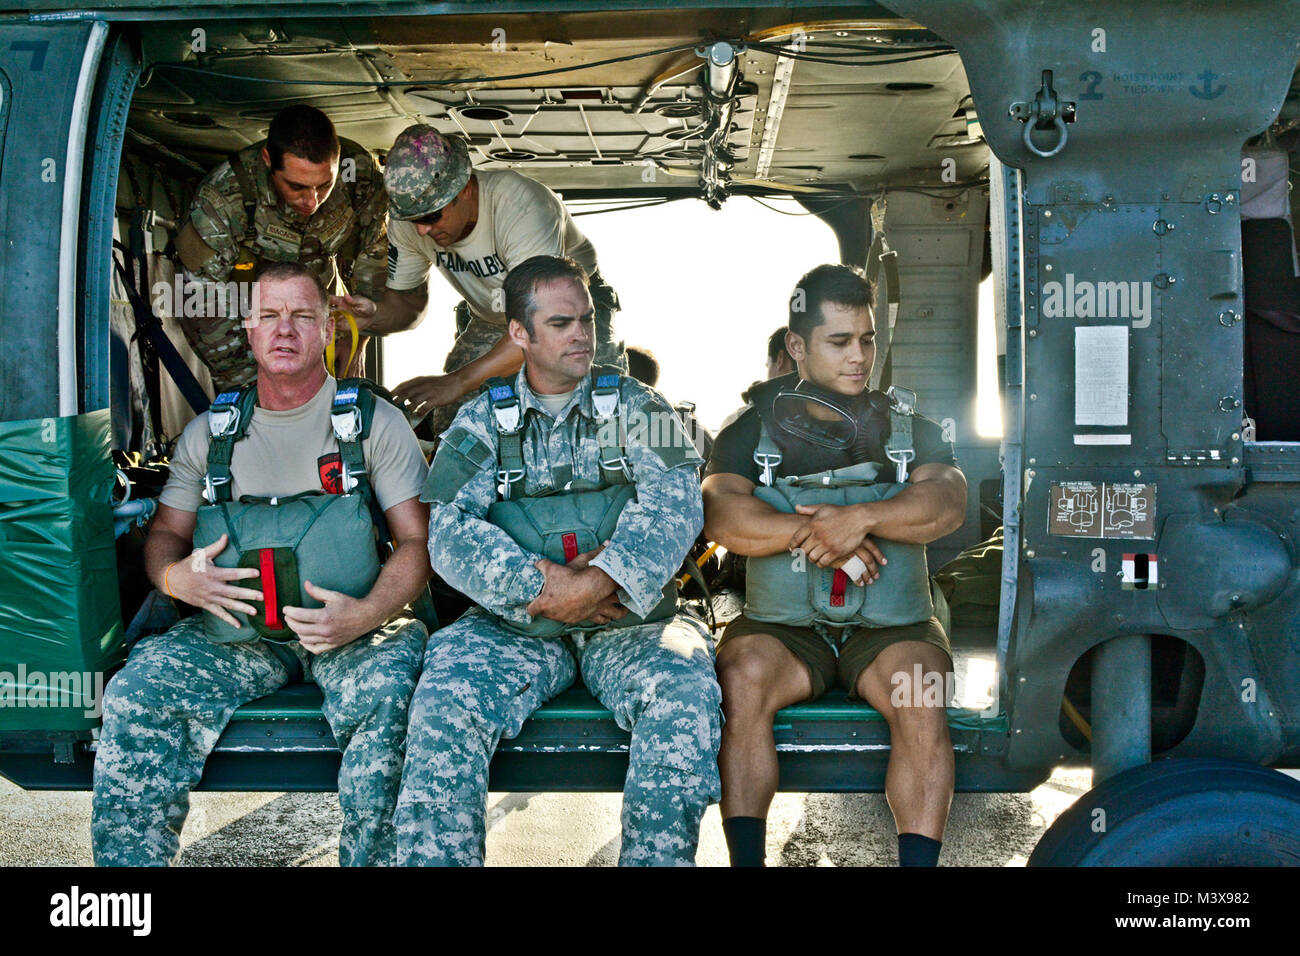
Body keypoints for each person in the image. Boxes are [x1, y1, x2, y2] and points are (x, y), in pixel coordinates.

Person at [92, 262, 431, 866]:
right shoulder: (208, 436)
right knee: (136, 694)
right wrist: (177, 579)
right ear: (248, 329)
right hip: (238, 640)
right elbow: (164, 536)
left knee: (393, 693)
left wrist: (367, 615)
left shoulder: (374, 424)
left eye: (302, 316)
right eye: (270, 316)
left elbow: (416, 544)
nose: (285, 330)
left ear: (328, 329)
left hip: (355, 633)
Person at [394, 255, 720, 866]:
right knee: (443, 701)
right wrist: (544, 588)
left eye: (588, 320)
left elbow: (678, 501)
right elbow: (449, 531)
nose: (582, 336)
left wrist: (601, 581)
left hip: (630, 625)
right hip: (516, 631)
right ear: (519, 333)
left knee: (683, 693)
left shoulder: (639, 406)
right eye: (562, 322)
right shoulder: (481, 420)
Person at [702, 263, 967, 867]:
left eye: (867, 339)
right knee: (739, 678)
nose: (859, 357)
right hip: (785, 631)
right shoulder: (749, 432)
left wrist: (864, 517)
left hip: (891, 631)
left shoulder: (911, 429)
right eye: (840, 341)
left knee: (924, 694)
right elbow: (721, 517)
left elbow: (947, 502)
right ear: (797, 346)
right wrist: (816, 530)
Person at [335, 126, 625, 440]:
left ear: (466, 189)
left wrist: (458, 381)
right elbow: (408, 305)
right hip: (493, 316)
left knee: (600, 415)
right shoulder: (411, 225)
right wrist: (374, 315)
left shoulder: (518, 206)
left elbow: (541, 325)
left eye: (432, 215)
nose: (421, 230)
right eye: (412, 218)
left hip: (571, 310)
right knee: (453, 417)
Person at [175, 105, 388, 392]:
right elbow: (201, 305)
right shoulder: (223, 198)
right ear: (267, 161)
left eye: (324, 185)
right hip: (249, 338)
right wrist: (259, 389)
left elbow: (377, 260)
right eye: (297, 186)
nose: (312, 201)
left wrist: (357, 336)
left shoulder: (358, 177)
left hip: (321, 324)